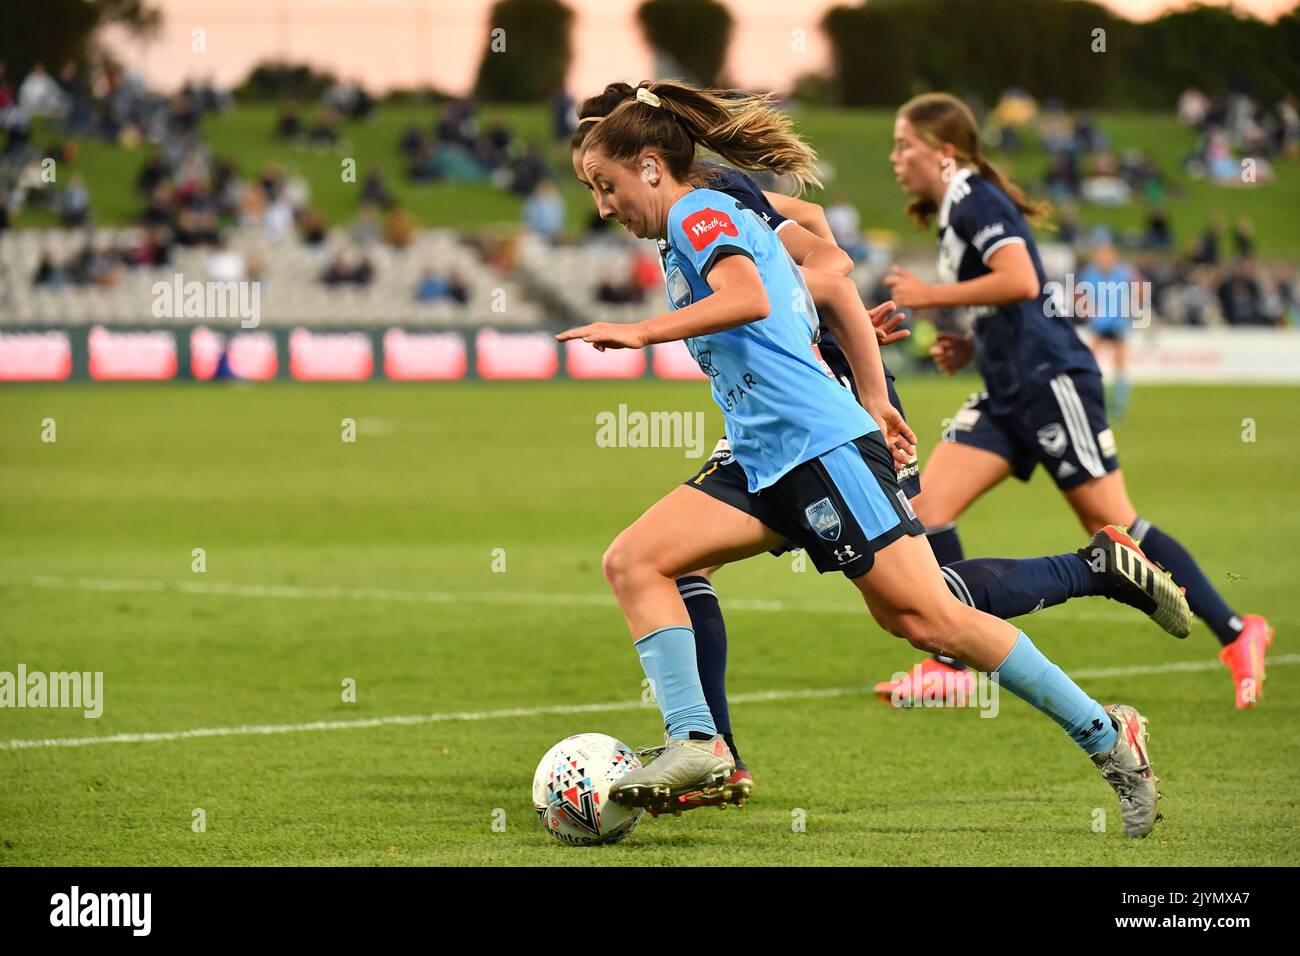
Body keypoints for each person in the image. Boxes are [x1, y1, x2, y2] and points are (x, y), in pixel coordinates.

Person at [559, 80, 1164, 838]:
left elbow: (747, 295)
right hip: (760, 457)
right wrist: (867, 382)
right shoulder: (700, 217)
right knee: (637, 561)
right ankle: (698, 743)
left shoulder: (696, 210)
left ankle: (1110, 738)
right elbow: (818, 273)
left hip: (819, 447)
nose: (605, 206)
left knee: (930, 619)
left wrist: (640, 332)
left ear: (650, 165)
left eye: (607, 186)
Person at [882, 92, 1272, 709]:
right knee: (928, 508)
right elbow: (1010, 302)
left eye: (906, 144)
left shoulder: (975, 197)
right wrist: (973, 345)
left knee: (1115, 527)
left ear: (945, 152)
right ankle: (953, 659)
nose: (896, 158)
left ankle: (1236, 631)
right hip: (1009, 390)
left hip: (1051, 382)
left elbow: (1023, 281)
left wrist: (928, 296)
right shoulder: (958, 204)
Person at [1079, 238, 1141, 420]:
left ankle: (1119, 406)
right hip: (1100, 325)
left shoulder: (1124, 272)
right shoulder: (1090, 274)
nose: (1103, 259)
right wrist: (1090, 311)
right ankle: (1093, 399)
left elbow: (1139, 290)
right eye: (1101, 255)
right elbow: (1082, 298)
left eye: (1107, 255)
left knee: (1120, 364)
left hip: (1119, 324)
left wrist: (1131, 308)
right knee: (1091, 362)